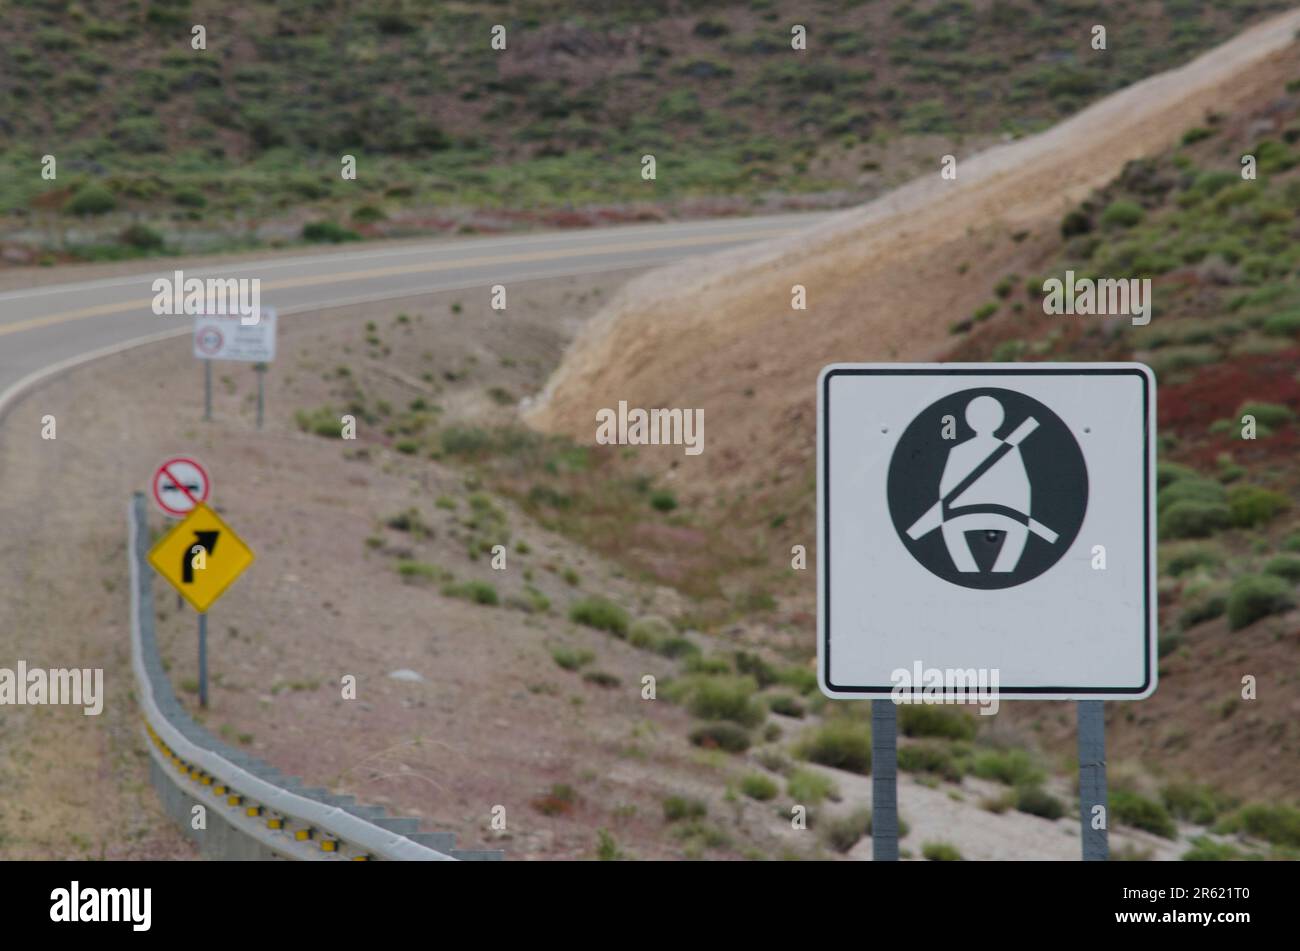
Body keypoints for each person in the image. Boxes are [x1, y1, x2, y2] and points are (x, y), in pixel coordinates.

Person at [937, 395, 1031, 573]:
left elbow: (945, 490)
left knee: (951, 527)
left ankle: (967, 570)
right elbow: (1024, 489)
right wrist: (1023, 516)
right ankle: (1003, 570)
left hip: (961, 516)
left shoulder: (959, 451)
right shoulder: (1010, 451)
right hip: (1008, 516)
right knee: (1017, 530)